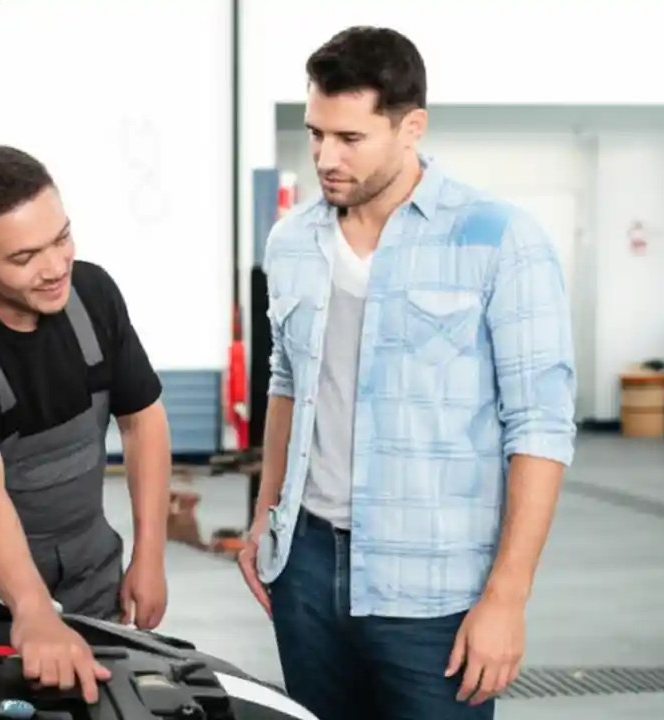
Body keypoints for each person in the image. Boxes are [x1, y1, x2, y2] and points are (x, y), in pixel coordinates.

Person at [235, 26, 576, 720]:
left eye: (350, 138)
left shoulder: (498, 239)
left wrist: (507, 598)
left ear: (410, 127)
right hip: (304, 571)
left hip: (434, 589)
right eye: (315, 133)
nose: (326, 157)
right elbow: (288, 381)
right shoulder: (292, 240)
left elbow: (540, 424)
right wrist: (265, 516)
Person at [0, 144, 173, 704]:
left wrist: (149, 555)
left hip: (94, 575)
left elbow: (143, 421)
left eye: (62, 238)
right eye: (24, 257)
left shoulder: (92, 296)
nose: (54, 269)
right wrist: (31, 610)